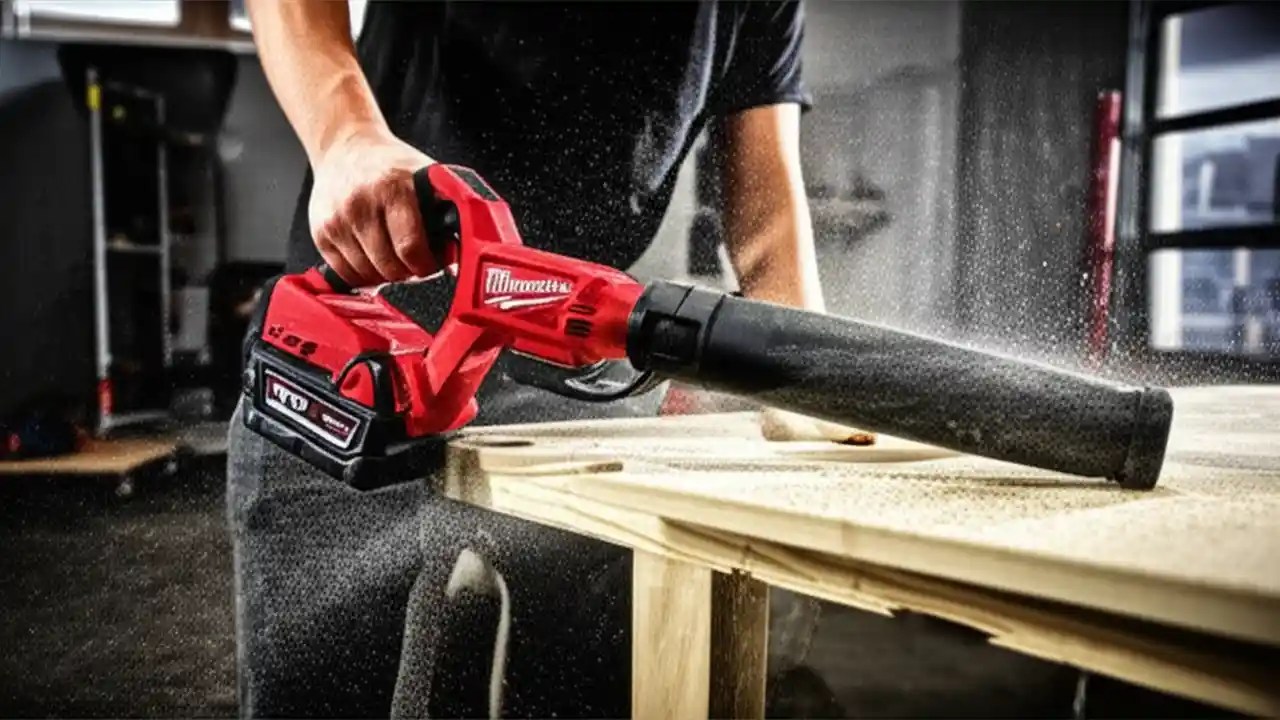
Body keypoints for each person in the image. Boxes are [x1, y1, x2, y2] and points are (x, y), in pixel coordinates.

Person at [228, 1, 827, 717]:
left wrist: (808, 393)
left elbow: (769, 229)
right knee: (321, 697)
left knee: (584, 688)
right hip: (351, 356)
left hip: (571, 391)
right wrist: (346, 138)